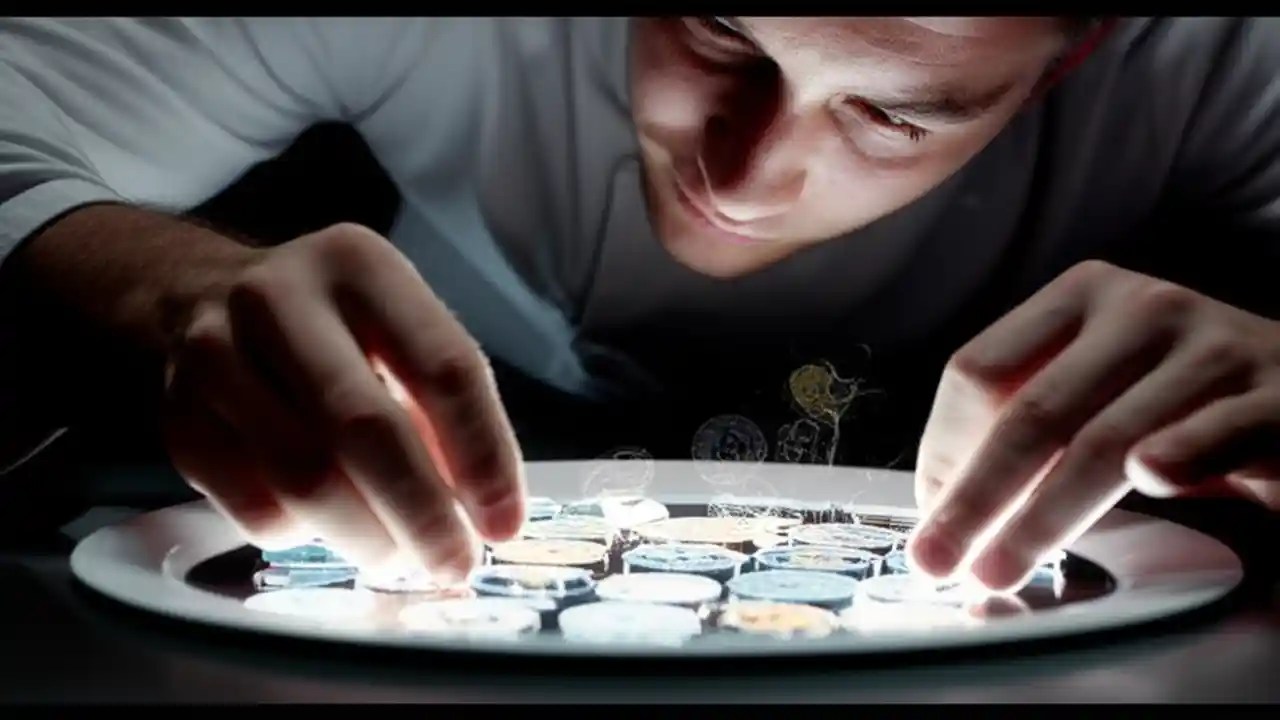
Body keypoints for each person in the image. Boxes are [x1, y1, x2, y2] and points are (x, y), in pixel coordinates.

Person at [0, 17, 1275, 591]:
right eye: (718, 32)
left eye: (892, 115)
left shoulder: (1220, 48)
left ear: (1081, 50)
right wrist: (166, 290)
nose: (742, 177)